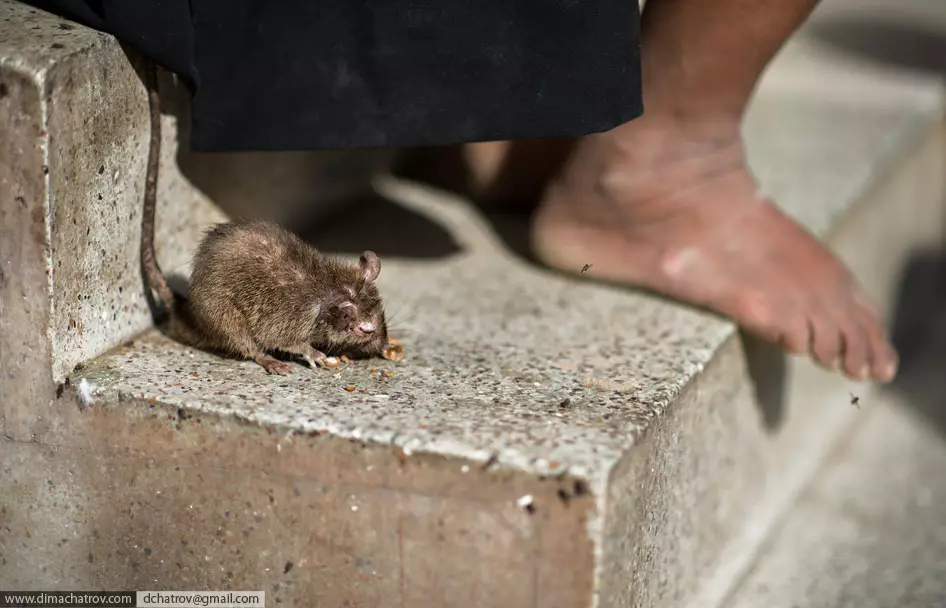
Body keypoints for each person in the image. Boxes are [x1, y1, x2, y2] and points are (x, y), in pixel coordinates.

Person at [20, 0, 897, 382]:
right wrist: (275, 354)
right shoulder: (309, 303)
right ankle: (671, 156)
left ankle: (484, 105)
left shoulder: (331, 293)